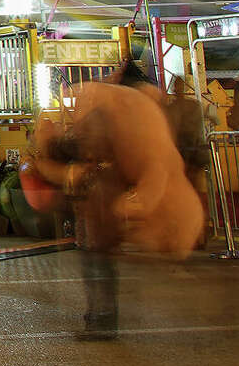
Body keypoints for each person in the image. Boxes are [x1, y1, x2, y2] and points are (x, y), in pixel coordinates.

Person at [32, 78, 203, 340]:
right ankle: (100, 316)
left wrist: (52, 146)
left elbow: (86, 149)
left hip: (101, 200)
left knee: (97, 259)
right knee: (96, 258)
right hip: (101, 200)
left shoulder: (113, 115)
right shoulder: (129, 114)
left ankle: (102, 320)